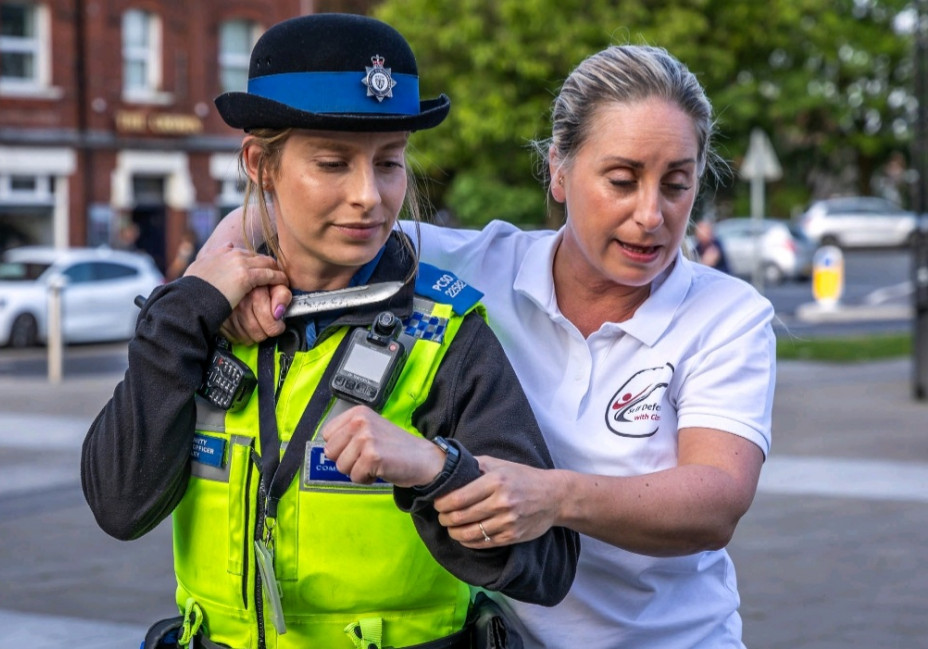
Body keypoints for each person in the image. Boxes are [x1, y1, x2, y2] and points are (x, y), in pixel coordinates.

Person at [204, 43, 776, 649]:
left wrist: (553, 498)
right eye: (622, 179)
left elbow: (717, 500)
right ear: (559, 169)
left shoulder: (727, 314)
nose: (651, 214)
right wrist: (222, 283)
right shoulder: (478, 266)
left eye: (676, 184)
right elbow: (276, 210)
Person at [81, 13, 577, 649]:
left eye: (389, 163)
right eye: (333, 163)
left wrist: (434, 472)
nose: (369, 195)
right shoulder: (199, 322)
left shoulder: (448, 338)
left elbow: (547, 567)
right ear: (260, 163)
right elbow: (120, 507)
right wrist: (185, 309)